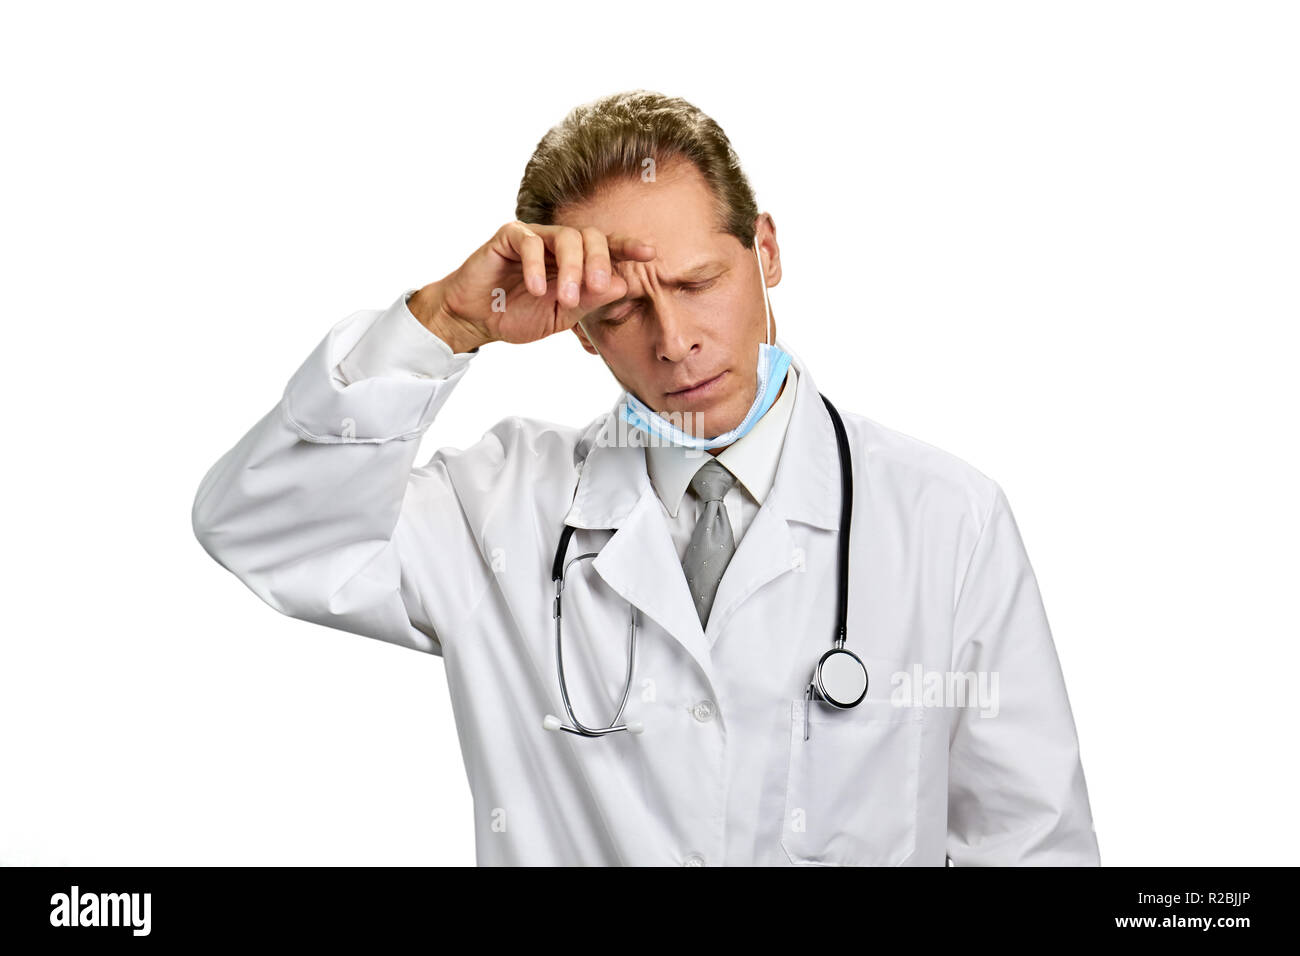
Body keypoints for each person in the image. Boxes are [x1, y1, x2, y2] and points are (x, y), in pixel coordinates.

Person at [191, 90, 1100, 866]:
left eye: (701, 280)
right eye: (623, 309)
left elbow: (1029, 842)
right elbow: (269, 529)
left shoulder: (946, 518)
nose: (675, 341)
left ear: (768, 251)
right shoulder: (497, 509)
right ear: (575, 326)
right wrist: (447, 319)